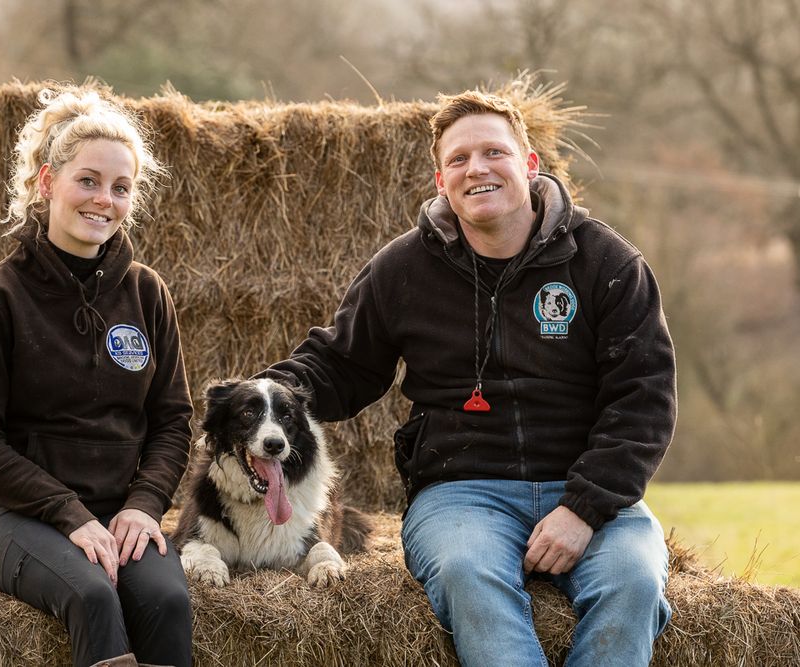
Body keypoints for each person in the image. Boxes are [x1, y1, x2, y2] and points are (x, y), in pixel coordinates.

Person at [259, 90, 675, 666]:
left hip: (592, 490)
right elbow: (340, 365)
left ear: (529, 165)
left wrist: (584, 507)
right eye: (458, 160)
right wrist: (261, 398)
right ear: (440, 180)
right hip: (461, 492)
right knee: (468, 577)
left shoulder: (605, 263)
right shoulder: (402, 269)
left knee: (634, 586)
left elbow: (644, 398)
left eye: (493, 152)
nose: (476, 169)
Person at [0, 85, 193, 667]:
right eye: (88, 180)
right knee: (92, 594)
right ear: (45, 182)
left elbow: (173, 421)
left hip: (118, 510)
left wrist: (145, 503)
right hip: (3, 515)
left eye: (120, 187)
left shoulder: (147, 292)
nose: (103, 199)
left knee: (168, 601)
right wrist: (69, 514)